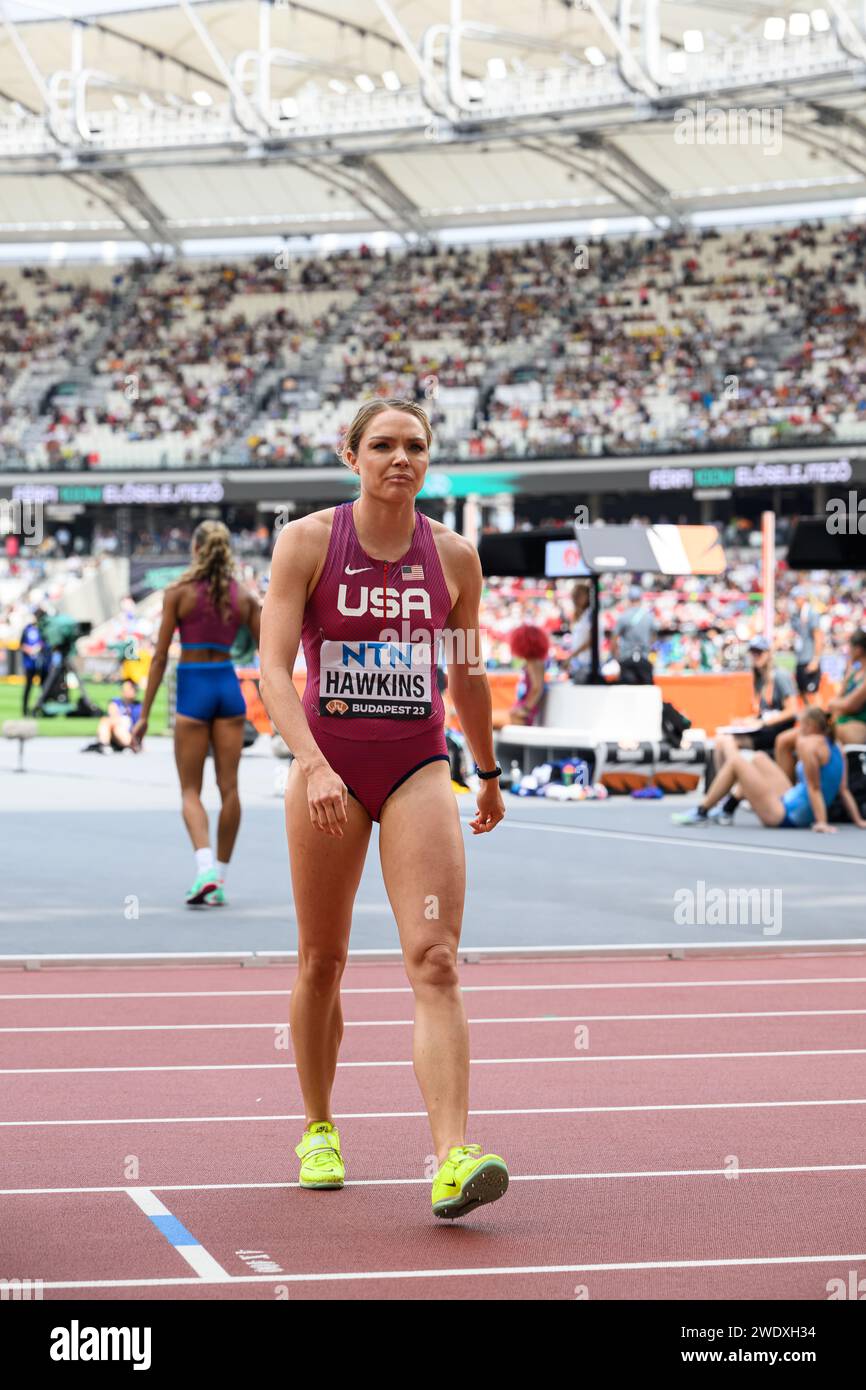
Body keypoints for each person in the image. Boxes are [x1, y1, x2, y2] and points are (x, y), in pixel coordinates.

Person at [259, 397, 509, 1221]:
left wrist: (488, 767)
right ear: (351, 455)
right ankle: (318, 1126)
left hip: (416, 766)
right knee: (321, 960)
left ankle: (451, 1157)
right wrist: (311, 763)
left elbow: (467, 674)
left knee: (435, 957)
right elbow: (272, 668)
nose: (399, 458)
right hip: (326, 766)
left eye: (415, 446)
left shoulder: (456, 558)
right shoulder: (304, 542)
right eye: (382, 445)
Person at [131, 521, 261, 906]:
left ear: (195, 550)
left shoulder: (178, 593)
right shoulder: (244, 598)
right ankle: (219, 878)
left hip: (192, 688)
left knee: (190, 790)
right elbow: (270, 654)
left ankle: (204, 868)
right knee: (230, 789)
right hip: (227, 686)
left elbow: (157, 659)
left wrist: (143, 715)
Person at [673, 707, 865, 832]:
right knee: (759, 758)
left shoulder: (808, 745)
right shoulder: (837, 746)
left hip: (786, 815)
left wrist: (822, 823)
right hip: (792, 799)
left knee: (737, 762)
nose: (798, 730)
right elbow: (843, 789)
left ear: (811, 726)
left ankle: (702, 810)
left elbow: (815, 788)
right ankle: (727, 809)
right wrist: (858, 820)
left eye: (802, 726)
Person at [708, 636, 800, 824]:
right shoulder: (759, 678)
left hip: (776, 730)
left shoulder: (779, 676)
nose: (756, 656)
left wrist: (763, 723)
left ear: (768, 654)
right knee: (721, 740)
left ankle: (730, 793)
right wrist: (747, 721)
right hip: (764, 728)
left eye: (759, 652)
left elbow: (792, 710)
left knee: (727, 742)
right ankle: (727, 793)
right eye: (753, 652)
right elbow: (762, 712)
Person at [827, 628, 866, 746]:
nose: (848, 651)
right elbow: (839, 699)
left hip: (860, 724)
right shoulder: (854, 672)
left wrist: (832, 703)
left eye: (850, 647)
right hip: (846, 722)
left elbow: (849, 705)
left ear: (858, 650)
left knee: (822, 733)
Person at [82, 678, 142, 754]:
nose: (124, 691)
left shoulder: (138, 706)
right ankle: (104, 745)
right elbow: (113, 716)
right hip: (115, 730)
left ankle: (128, 745)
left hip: (128, 734)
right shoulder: (116, 702)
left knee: (115, 726)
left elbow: (138, 726)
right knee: (107, 722)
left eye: (128, 689)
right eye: (123, 689)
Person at [612, 583, 655, 684]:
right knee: (646, 693)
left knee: (627, 693)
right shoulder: (648, 617)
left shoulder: (623, 616)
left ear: (629, 599)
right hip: (644, 658)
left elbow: (614, 639)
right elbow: (653, 637)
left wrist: (616, 657)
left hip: (626, 658)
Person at [508, 623, 549, 726]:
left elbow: (537, 687)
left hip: (526, 706)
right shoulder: (533, 662)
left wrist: (525, 709)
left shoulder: (534, 662)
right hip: (525, 704)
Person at [791, 589, 825, 701]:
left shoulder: (812, 614)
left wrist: (815, 660)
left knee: (813, 694)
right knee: (803, 693)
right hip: (800, 659)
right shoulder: (796, 615)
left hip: (809, 660)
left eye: (796, 598)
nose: (795, 601)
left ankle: (819, 718)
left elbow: (818, 637)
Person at [20, 608, 46, 716]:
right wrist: (30, 650)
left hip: (41, 663)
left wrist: (40, 647)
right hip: (29, 663)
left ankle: (40, 709)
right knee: (28, 687)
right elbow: (21, 644)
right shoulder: (27, 629)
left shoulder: (43, 629)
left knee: (43, 687)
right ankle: (25, 710)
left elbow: (45, 643)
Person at [568, 581, 593, 682]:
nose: (575, 599)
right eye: (574, 596)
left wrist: (572, 656)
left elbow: (591, 640)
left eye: (578, 595)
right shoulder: (579, 615)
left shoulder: (590, 614)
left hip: (587, 662)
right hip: (578, 662)